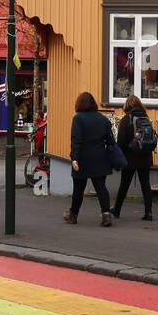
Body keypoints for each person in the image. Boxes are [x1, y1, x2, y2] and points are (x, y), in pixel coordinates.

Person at [64, 91, 116, 226]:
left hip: (82, 159)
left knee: (78, 189)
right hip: (100, 158)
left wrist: (74, 158)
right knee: (101, 188)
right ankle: (106, 215)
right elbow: (110, 140)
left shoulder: (78, 119)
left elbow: (76, 140)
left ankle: (73, 215)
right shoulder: (103, 119)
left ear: (79, 103)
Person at [112, 94, 155, 221]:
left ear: (127, 105)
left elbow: (120, 142)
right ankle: (149, 212)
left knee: (124, 185)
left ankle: (117, 210)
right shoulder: (145, 117)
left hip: (129, 158)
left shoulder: (126, 119)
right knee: (146, 185)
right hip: (145, 157)